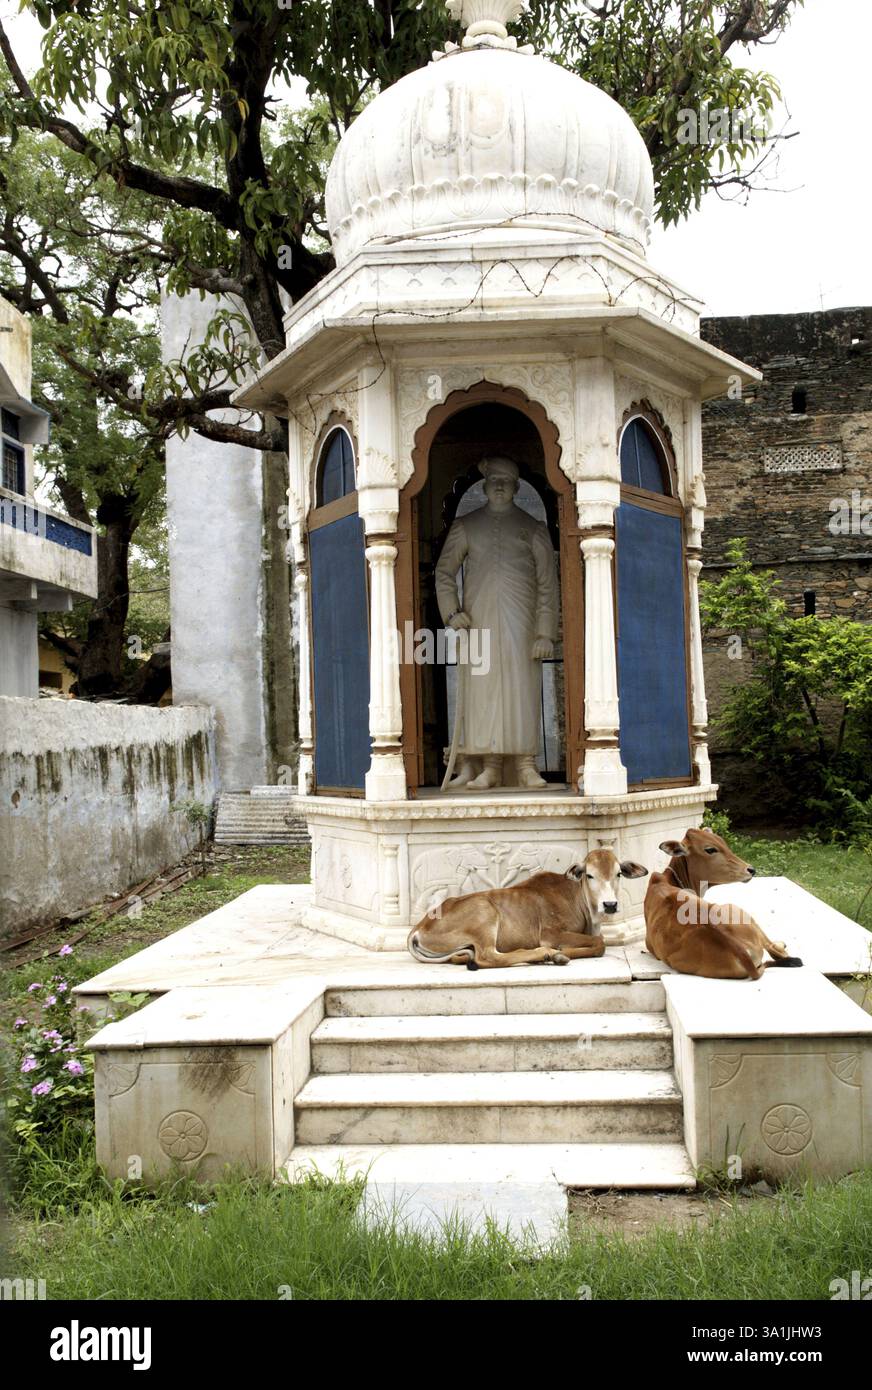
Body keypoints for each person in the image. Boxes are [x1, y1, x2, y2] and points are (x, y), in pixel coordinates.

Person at [434, 456, 559, 790]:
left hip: (523, 625)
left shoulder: (533, 528)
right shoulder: (467, 525)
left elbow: (548, 584)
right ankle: (489, 767)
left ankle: (526, 765)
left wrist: (545, 632)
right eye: (494, 481)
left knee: (522, 691)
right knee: (484, 694)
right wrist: (451, 612)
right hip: (478, 623)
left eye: (507, 482)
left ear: (517, 488)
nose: (500, 486)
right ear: (484, 485)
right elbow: (444, 573)